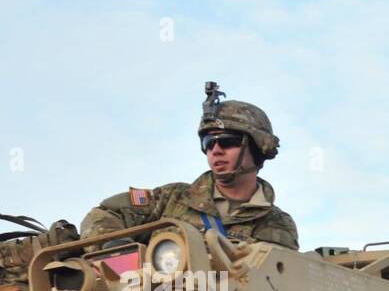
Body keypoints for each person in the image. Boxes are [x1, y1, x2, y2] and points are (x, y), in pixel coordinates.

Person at [80, 84, 298, 249]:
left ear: (259, 147)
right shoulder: (171, 198)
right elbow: (104, 214)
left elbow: (278, 288)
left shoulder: (277, 224)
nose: (216, 150)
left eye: (227, 142)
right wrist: (117, 252)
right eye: (209, 143)